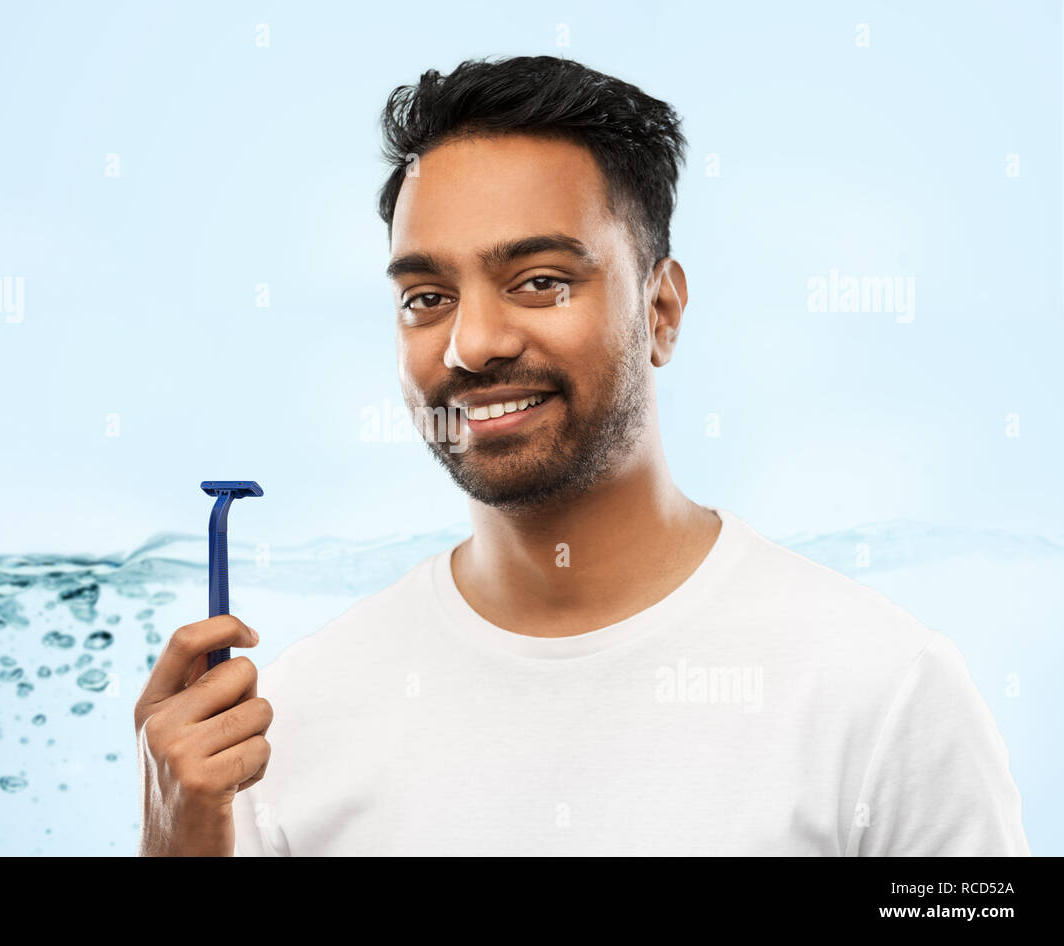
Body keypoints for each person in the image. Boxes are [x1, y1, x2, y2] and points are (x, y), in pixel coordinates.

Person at [134, 55, 1030, 856]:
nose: (472, 343)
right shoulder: (277, 732)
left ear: (663, 312)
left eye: (540, 282)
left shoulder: (884, 695)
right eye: (427, 297)